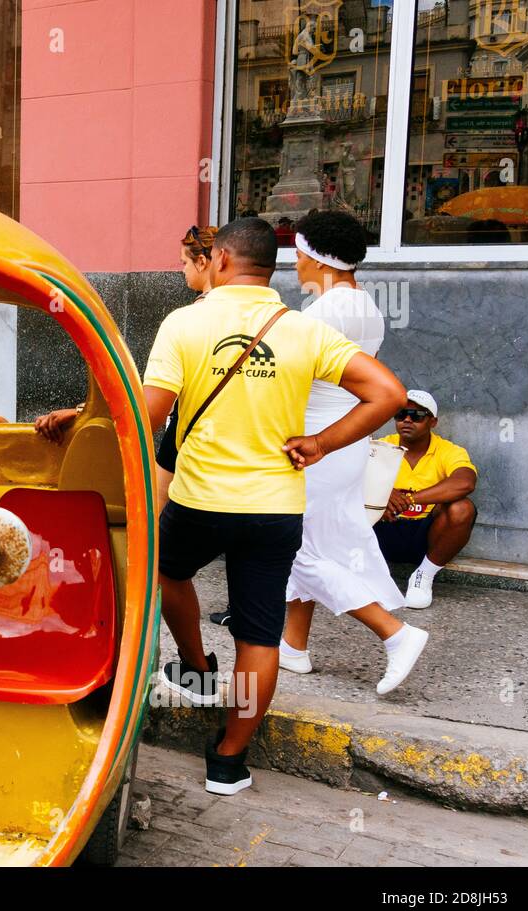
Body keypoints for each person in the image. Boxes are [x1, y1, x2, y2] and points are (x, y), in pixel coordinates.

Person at [142, 217, 404, 796]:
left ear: (222, 261)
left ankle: (195, 668)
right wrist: (320, 443)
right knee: (260, 637)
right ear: (272, 267)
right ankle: (229, 762)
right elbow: (388, 394)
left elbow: (147, 416)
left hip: (199, 501)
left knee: (168, 569)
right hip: (275, 509)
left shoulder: (184, 323)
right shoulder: (302, 330)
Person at [279, 211, 428, 695]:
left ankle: (395, 633)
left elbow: (295, 381)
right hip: (347, 442)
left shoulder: (321, 313)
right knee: (317, 542)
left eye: (298, 253)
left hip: (318, 442)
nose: (294, 263)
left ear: (314, 257)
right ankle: (293, 646)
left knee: (294, 547)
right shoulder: (365, 305)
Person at [34, 227, 216, 519]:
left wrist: (83, 413)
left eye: (184, 262)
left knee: (157, 529)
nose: (182, 272)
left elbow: (151, 410)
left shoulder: (185, 321)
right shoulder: (268, 317)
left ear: (204, 262)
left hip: (186, 434)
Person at [374, 389, 477, 609]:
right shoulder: (381, 447)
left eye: (417, 415)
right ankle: (371, 573)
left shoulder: (448, 451)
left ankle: (423, 576)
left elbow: (465, 482)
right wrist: (380, 495)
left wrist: (410, 499)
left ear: (433, 421)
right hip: (384, 529)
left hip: (427, 536)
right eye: (401, 415)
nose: (407, 420)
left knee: (462, 508)